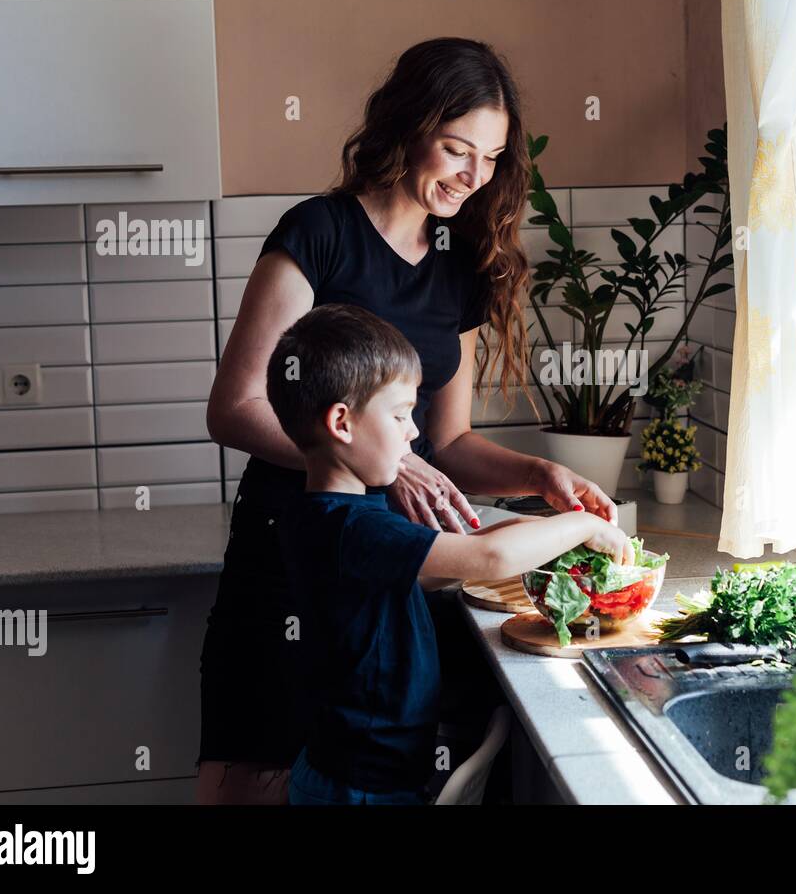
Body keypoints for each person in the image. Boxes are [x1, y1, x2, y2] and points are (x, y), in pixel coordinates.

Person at [198, 37, 620, 803]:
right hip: (288, 561)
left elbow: (448, 443)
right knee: (249, 782)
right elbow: (235, 408)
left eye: (491, 159)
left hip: (387, 583)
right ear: (407, 127)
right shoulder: (319, 233)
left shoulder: (457, 264)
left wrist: (538, 472)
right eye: (457, 149)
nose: (473, 176)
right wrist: (390, 466)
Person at [264, 304, 631, 804]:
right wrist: (581, 524)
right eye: (399, 415)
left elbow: (443, 562)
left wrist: (546, 528)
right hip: (362, 787)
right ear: (342, 423)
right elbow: (490, 560)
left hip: (356, 769)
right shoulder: (354, 526)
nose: (414, 432)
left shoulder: (329, 514)